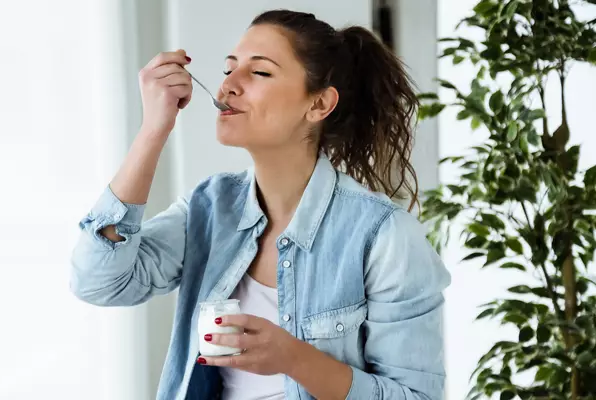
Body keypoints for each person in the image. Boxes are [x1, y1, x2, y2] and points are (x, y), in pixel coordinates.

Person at [70, 9, 451, 400]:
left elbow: (416, 396)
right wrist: (153, 130)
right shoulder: (208, 209)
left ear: (319, 104)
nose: (228, 86)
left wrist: (295, 358)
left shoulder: (384, 236)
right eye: (228, 69)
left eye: (260, 72)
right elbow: (99, 282)